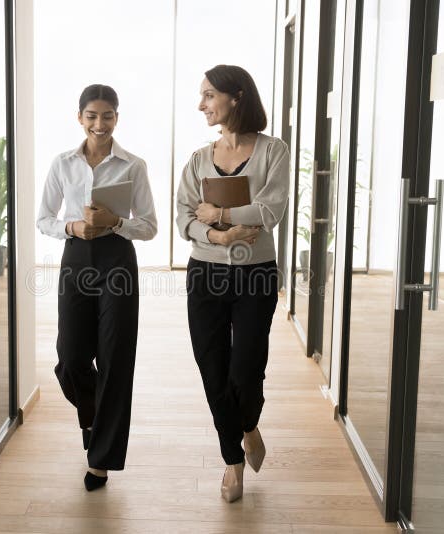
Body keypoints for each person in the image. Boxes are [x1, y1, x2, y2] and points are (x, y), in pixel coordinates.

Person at [176, 65, 290, 502]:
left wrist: (219, 213)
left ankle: (249, 425)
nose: (201, 104)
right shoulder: (198, 160)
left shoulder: (273, 151)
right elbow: (185, 217)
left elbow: (270, 210)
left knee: (245, 369)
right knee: (212, 368)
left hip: (255, 273)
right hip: (205, 273)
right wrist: (218, 235)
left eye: (209, 95)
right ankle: (233, 458)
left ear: (236, 96)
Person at [36, 84, 157, 491]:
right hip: (76, 258)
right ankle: (93, 415)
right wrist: (73, 226)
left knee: (115, 359)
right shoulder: (63, 163)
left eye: (107, 116)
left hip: (117, 261)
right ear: (80, 117)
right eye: (91, 116)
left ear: (117, 118)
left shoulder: (133, 165)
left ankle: (100, 460)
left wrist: (115, 222)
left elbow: (149, 226)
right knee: (71, 358)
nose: (99, 124)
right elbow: (43, 218)